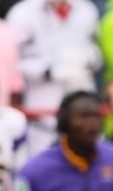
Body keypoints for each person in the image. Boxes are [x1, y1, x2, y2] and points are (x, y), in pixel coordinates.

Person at [6, 0, 102, 155]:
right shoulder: (21, 13)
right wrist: (48, 70)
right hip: (43, 103)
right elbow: (13, 62)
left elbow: (98, 50)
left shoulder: (86, 9)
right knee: (44, 153)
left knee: (89, 150)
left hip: (82, 92)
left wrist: (87, 60)